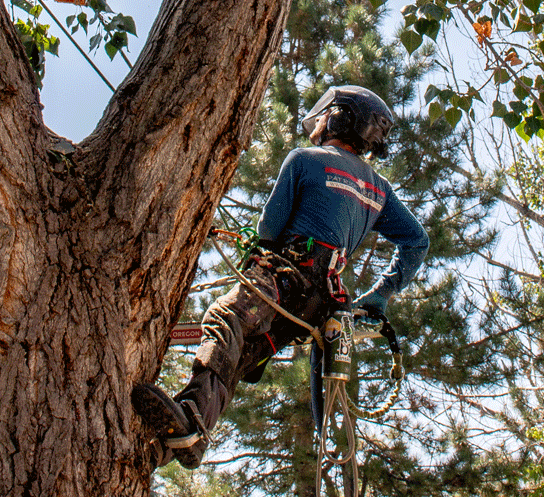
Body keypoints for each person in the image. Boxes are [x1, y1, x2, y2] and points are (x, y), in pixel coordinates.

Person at [132, 85, 429, 469]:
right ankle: (177, 442)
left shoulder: (305, 159)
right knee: (237, 359)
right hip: (318, 305)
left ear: (341, 116)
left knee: (226, 321)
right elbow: (417, 243)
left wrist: (256, 245)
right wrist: (380, 294)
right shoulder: (380, 190)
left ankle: (189, 421)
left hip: (284, 277)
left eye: (323, 115)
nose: (317, 123)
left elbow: (270, 227)